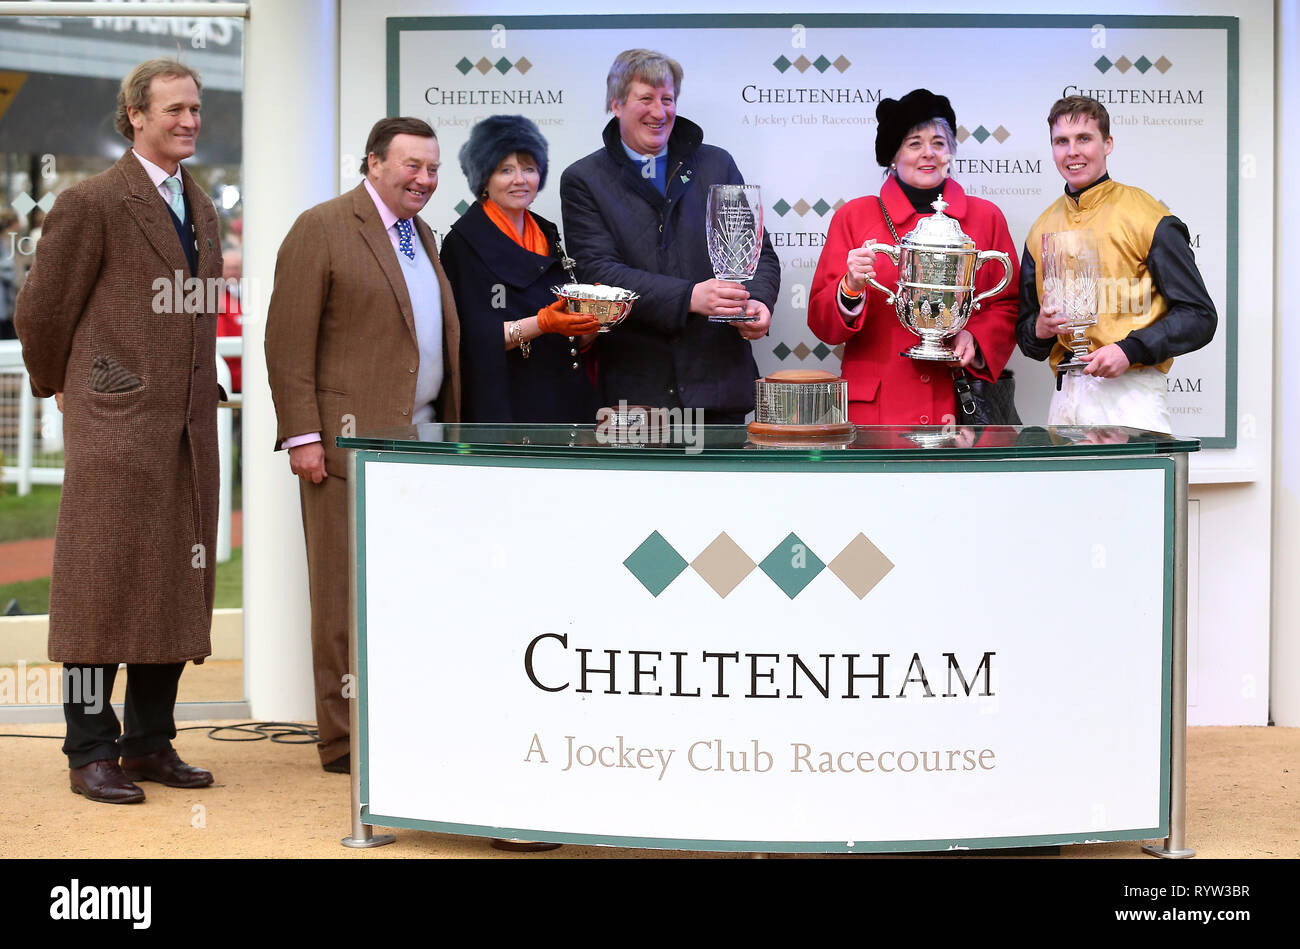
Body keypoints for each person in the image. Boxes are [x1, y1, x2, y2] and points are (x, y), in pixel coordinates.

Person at [13, 58, 221, 803]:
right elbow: (40, 312)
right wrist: (62, 382)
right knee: (99, 588)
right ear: (135, 114)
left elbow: (196, 313)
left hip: (188, 431)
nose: (189, 121)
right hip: (116, 427)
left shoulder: (203, 207)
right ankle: (89, 748)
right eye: (174, 110)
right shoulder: (91, 202)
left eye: (195, 109)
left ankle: (148, 741)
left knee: (172, 584)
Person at [265, 117, 461, 773]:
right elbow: (286, 342)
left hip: (424, 444)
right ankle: (344, 740)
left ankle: (398, 720)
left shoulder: (423, 235)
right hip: (346, 452)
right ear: (372, 163)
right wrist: (303, 436)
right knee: (343, 599)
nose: (424, 180)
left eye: (433, 169)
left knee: (410, 591)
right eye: (412, 166)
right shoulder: (320, 227)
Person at [559, 48, 780, 424]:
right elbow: (599, 275)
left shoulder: (717, 163)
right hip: (635, 396)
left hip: (719, 387)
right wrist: (689, 298)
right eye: (645, 98)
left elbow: (758, 256)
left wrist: (757, 302)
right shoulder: (584, 180)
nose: (659, 113)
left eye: (667, 99)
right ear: (616, 104)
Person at [808, 88, 1019, 426]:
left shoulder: (986, 217)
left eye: (938, 142)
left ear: (950, 152)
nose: (928, 154)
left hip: (957, 401)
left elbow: (1007, 304)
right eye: (914, 143)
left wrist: (975, 337)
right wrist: (849, 287)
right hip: (877, 412)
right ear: (894, 154)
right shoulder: (854, 217)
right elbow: (822, 323)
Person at [1016, 95, 1216, 433]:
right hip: (1066, 397)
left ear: (1107, 144)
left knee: (1135, 488)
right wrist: (1041, 328)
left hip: (1132, 393)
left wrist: (1129, 349)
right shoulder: (1041, 228)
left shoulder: (1148, 217)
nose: (1072, 151)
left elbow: (1200, 316)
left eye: (1084, 139)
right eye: (1061, 141)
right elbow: (1027, 338)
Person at [440, 115, 599, 422]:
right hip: (505, 409)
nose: (520, 180)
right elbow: (467, 340)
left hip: (565, 401)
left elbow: (565, 330)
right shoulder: (463, 243)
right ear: (484, 177)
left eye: (529, 168)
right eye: (505, 170)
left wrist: (593, 321)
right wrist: (542, 323)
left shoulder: (545, 232)